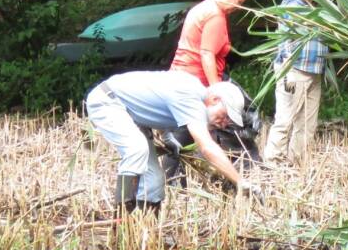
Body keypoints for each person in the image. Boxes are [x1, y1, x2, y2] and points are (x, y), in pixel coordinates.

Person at [85, 70, 251, 213]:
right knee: (137, 149)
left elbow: (156, 102)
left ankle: (146, 233)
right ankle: (121, 221)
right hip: (108, 101)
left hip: (132, 114)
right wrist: (240, 181)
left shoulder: (193, 94)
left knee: (155, 182)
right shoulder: (191, 98)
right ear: (215, 99)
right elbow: (207, 147)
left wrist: (167, 137)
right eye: (225, 115)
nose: (225, 122)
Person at [264, 0, 329, 165]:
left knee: (307, 123)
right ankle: (272, 162)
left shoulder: (322, 4)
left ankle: (296, 163)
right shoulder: (292, 2)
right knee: (285, 119)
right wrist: (288, 69)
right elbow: (284, 37)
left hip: (315, 69)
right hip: (295, 69)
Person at [170, 0, 252, 86]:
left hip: (179, 75)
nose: (239, 7)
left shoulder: (203, 7)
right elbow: (207, 53)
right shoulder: (215, 15)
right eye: (239, 1)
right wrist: (216, 89)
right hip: (196, 83)